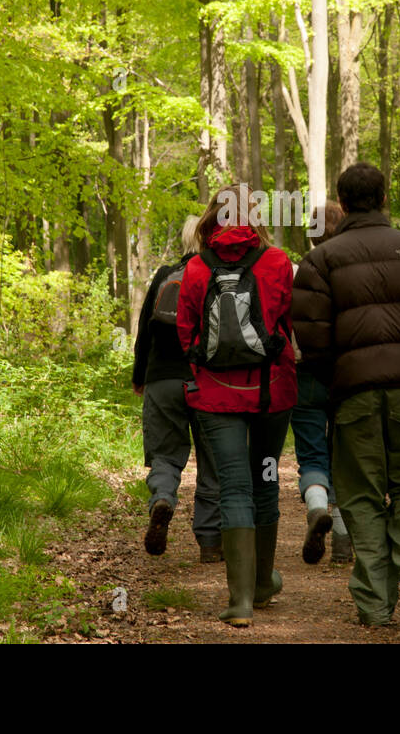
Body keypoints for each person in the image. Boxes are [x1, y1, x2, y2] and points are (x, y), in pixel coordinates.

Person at [293, 163, 400, 627]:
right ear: (385, 197)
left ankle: (374, 605)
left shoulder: (319, 262)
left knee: (362, 496)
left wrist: (339, 375)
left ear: (343, 203)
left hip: (353, 397)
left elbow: (311, 337)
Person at [176, 184, 297, 627]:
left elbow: (187, 335)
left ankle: (240, 602)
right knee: (265, 481)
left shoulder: (194, 268)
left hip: (214, 394)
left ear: (212, 216)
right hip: (272, 392)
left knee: (233, 487)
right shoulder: (278, 262)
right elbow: (285, 320)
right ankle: (263, 583)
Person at [133, 216, 223, 562]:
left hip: (161, 379)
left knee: (165, 455)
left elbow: (145, 331)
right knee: (212, 464)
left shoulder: (164, 275)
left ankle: (163, 499)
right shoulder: (218, 277)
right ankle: (211, 543)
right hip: (206, 381)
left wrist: (140, 376)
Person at [290, 201, 351, 564]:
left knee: (312, 454)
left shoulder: (299, 272)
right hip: (345, 374)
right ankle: (344, 539)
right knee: (343, 455)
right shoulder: (352, 271)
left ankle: (316, 508)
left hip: (305, 372)